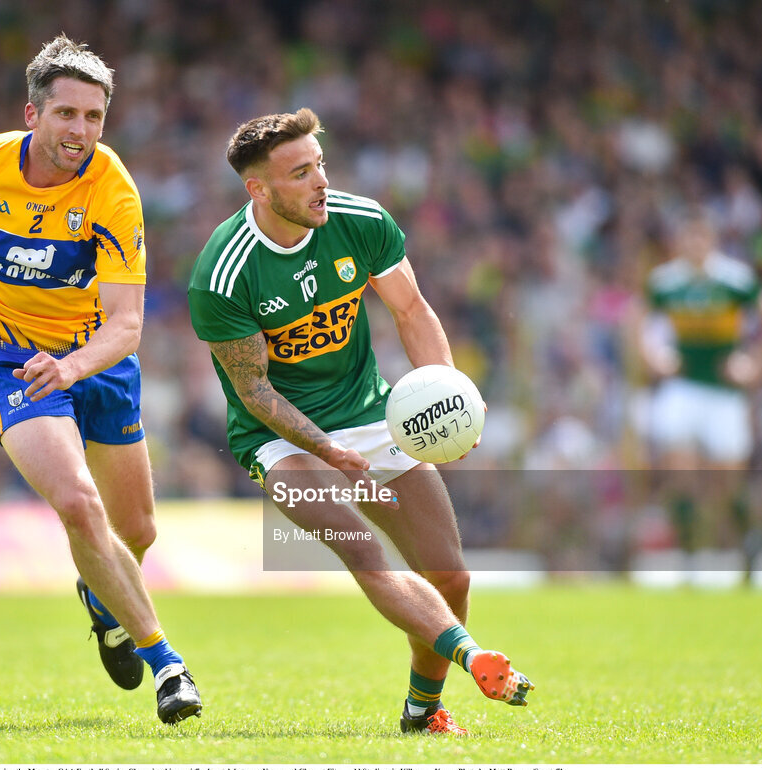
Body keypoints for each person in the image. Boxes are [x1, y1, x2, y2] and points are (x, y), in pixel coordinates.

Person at [0, 35, 201, 724]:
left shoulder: (112, 189)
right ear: (33, 115)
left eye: (93, 118)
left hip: (94, 359)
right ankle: (167, 663)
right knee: (81, 506)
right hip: (8, 362)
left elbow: (127, 325)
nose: (79, 131)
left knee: (137, 530)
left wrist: (73, 363)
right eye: (66, 114)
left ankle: (101, 600)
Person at [187, 108, 533, 735]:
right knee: (363, 547)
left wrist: (451, 399)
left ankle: (422, 710)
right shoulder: (222, 273)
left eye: (320, 164)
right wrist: (324, 449)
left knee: (450, 573)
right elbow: (256, 392)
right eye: (300, 173)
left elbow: (412, 310)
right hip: (278, 439)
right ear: (258, 189)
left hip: (370, 415)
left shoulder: (359, 220)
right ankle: (474, 656)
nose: (321, 181)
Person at [635, 209, 762, 582]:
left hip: (724, 395)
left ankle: (746, 545)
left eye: (700, 237)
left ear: (711, 241)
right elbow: (634, 321)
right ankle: (689, 556)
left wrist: (755, 364)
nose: (694, 244)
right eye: (687, 237)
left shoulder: (733, 280)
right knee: (681, 473)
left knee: (727, 483)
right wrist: (654, 358)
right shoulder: (667, 281)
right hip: (683, 388)